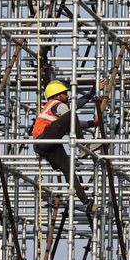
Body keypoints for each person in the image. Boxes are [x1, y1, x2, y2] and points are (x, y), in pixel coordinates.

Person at [32, 79, 99, 208]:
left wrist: (91, 94)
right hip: (44, 139)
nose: (68, 96)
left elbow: (73, 118)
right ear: (57, 95)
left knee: (68, 169)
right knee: (70, 115)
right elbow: (72, 115)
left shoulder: (56, 107)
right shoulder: (57, 104)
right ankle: (83, 148)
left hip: (46, 145)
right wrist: (91, 123)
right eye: (65, 93)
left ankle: (86, 202)